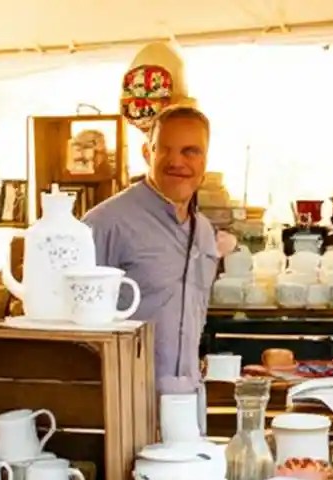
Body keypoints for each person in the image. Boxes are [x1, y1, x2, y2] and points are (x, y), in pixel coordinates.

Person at [84, 105, 235, 402]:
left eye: (190, 151)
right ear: (147, 153)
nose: (177, 161)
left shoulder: (203, 231)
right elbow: (70, 327)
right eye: (165, 149)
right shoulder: (105, 223)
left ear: (205, 159)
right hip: (123, 403)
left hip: (187, 404)